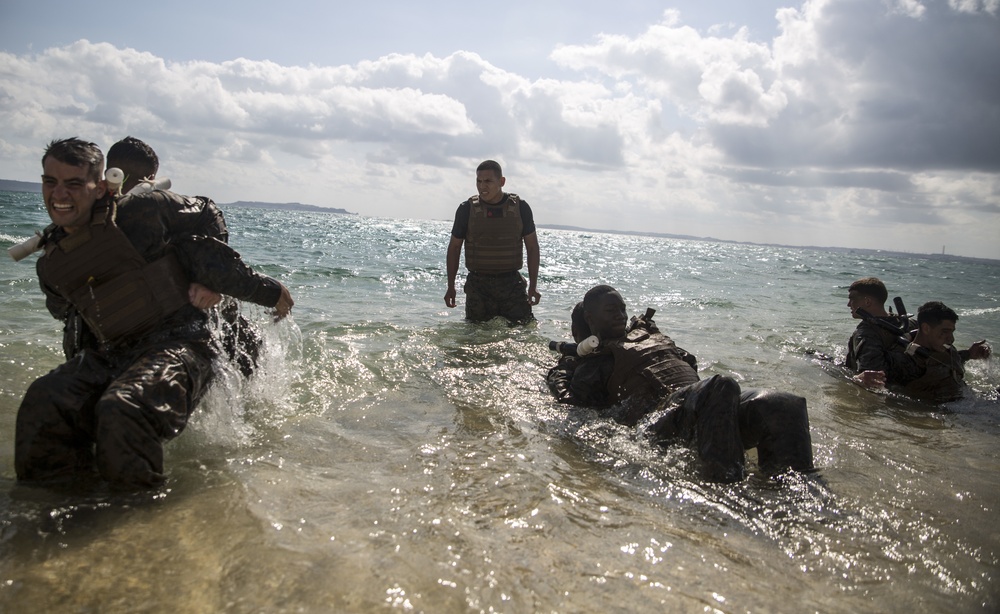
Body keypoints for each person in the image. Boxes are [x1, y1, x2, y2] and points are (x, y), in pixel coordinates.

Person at [14, 137, 294, 489]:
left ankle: (135, 521)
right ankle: (57, 508)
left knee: (125, 408)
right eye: (50, 182)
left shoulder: (139, 211)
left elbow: (208, 214)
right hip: (114, 353)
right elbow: (71, 321)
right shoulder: (52, 264)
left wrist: (250, 289)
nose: (60, 195)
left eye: (74, 184)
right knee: (46, 399)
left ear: (99, 186)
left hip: (182, 343)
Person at [547, 285, 813, 483]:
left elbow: (689, 363)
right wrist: (562, 371)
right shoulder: (596, 361)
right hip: (664, 420)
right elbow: (575, 403)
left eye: (622, 309)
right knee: (723, 385)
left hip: (705, 408)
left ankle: (793, 490)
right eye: (610, 311)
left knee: (779, 403)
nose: (620, 315)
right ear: (591, 320)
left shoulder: (648, 337)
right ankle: (726, 488)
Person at [106, 136, 264, 377]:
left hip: (202, 310)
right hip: (158, 324)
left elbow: (209, 214)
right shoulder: (100, 212)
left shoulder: (159, 206)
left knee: (244, 345)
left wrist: (208, 284)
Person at [444, 160, 541, 324]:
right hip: (478, 286)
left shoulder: (521, 208)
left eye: (488, 181)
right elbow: (454, 248)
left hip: (512, 284)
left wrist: (533, 285)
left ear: (501, 182)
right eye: (479, 181)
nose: (482, 186)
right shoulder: (466, 209)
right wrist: (451, 286)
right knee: (475, 339)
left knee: (523, 334)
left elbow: (532, 247)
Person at [884, 301, 990, 402]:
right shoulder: (904, 361)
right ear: (926, 328)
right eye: (945, 331)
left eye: (952, 332)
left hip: (969, 401)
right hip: (943, 413)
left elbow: (946, 364)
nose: (951, 339)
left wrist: (969, 354)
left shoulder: (946, 349)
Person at [844, 277, 917, 388]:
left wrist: (856, 379)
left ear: (867, 301)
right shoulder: (909, 323)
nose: (849, 304)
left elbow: (872, 382)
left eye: (852, 299)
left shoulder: (866, 334)